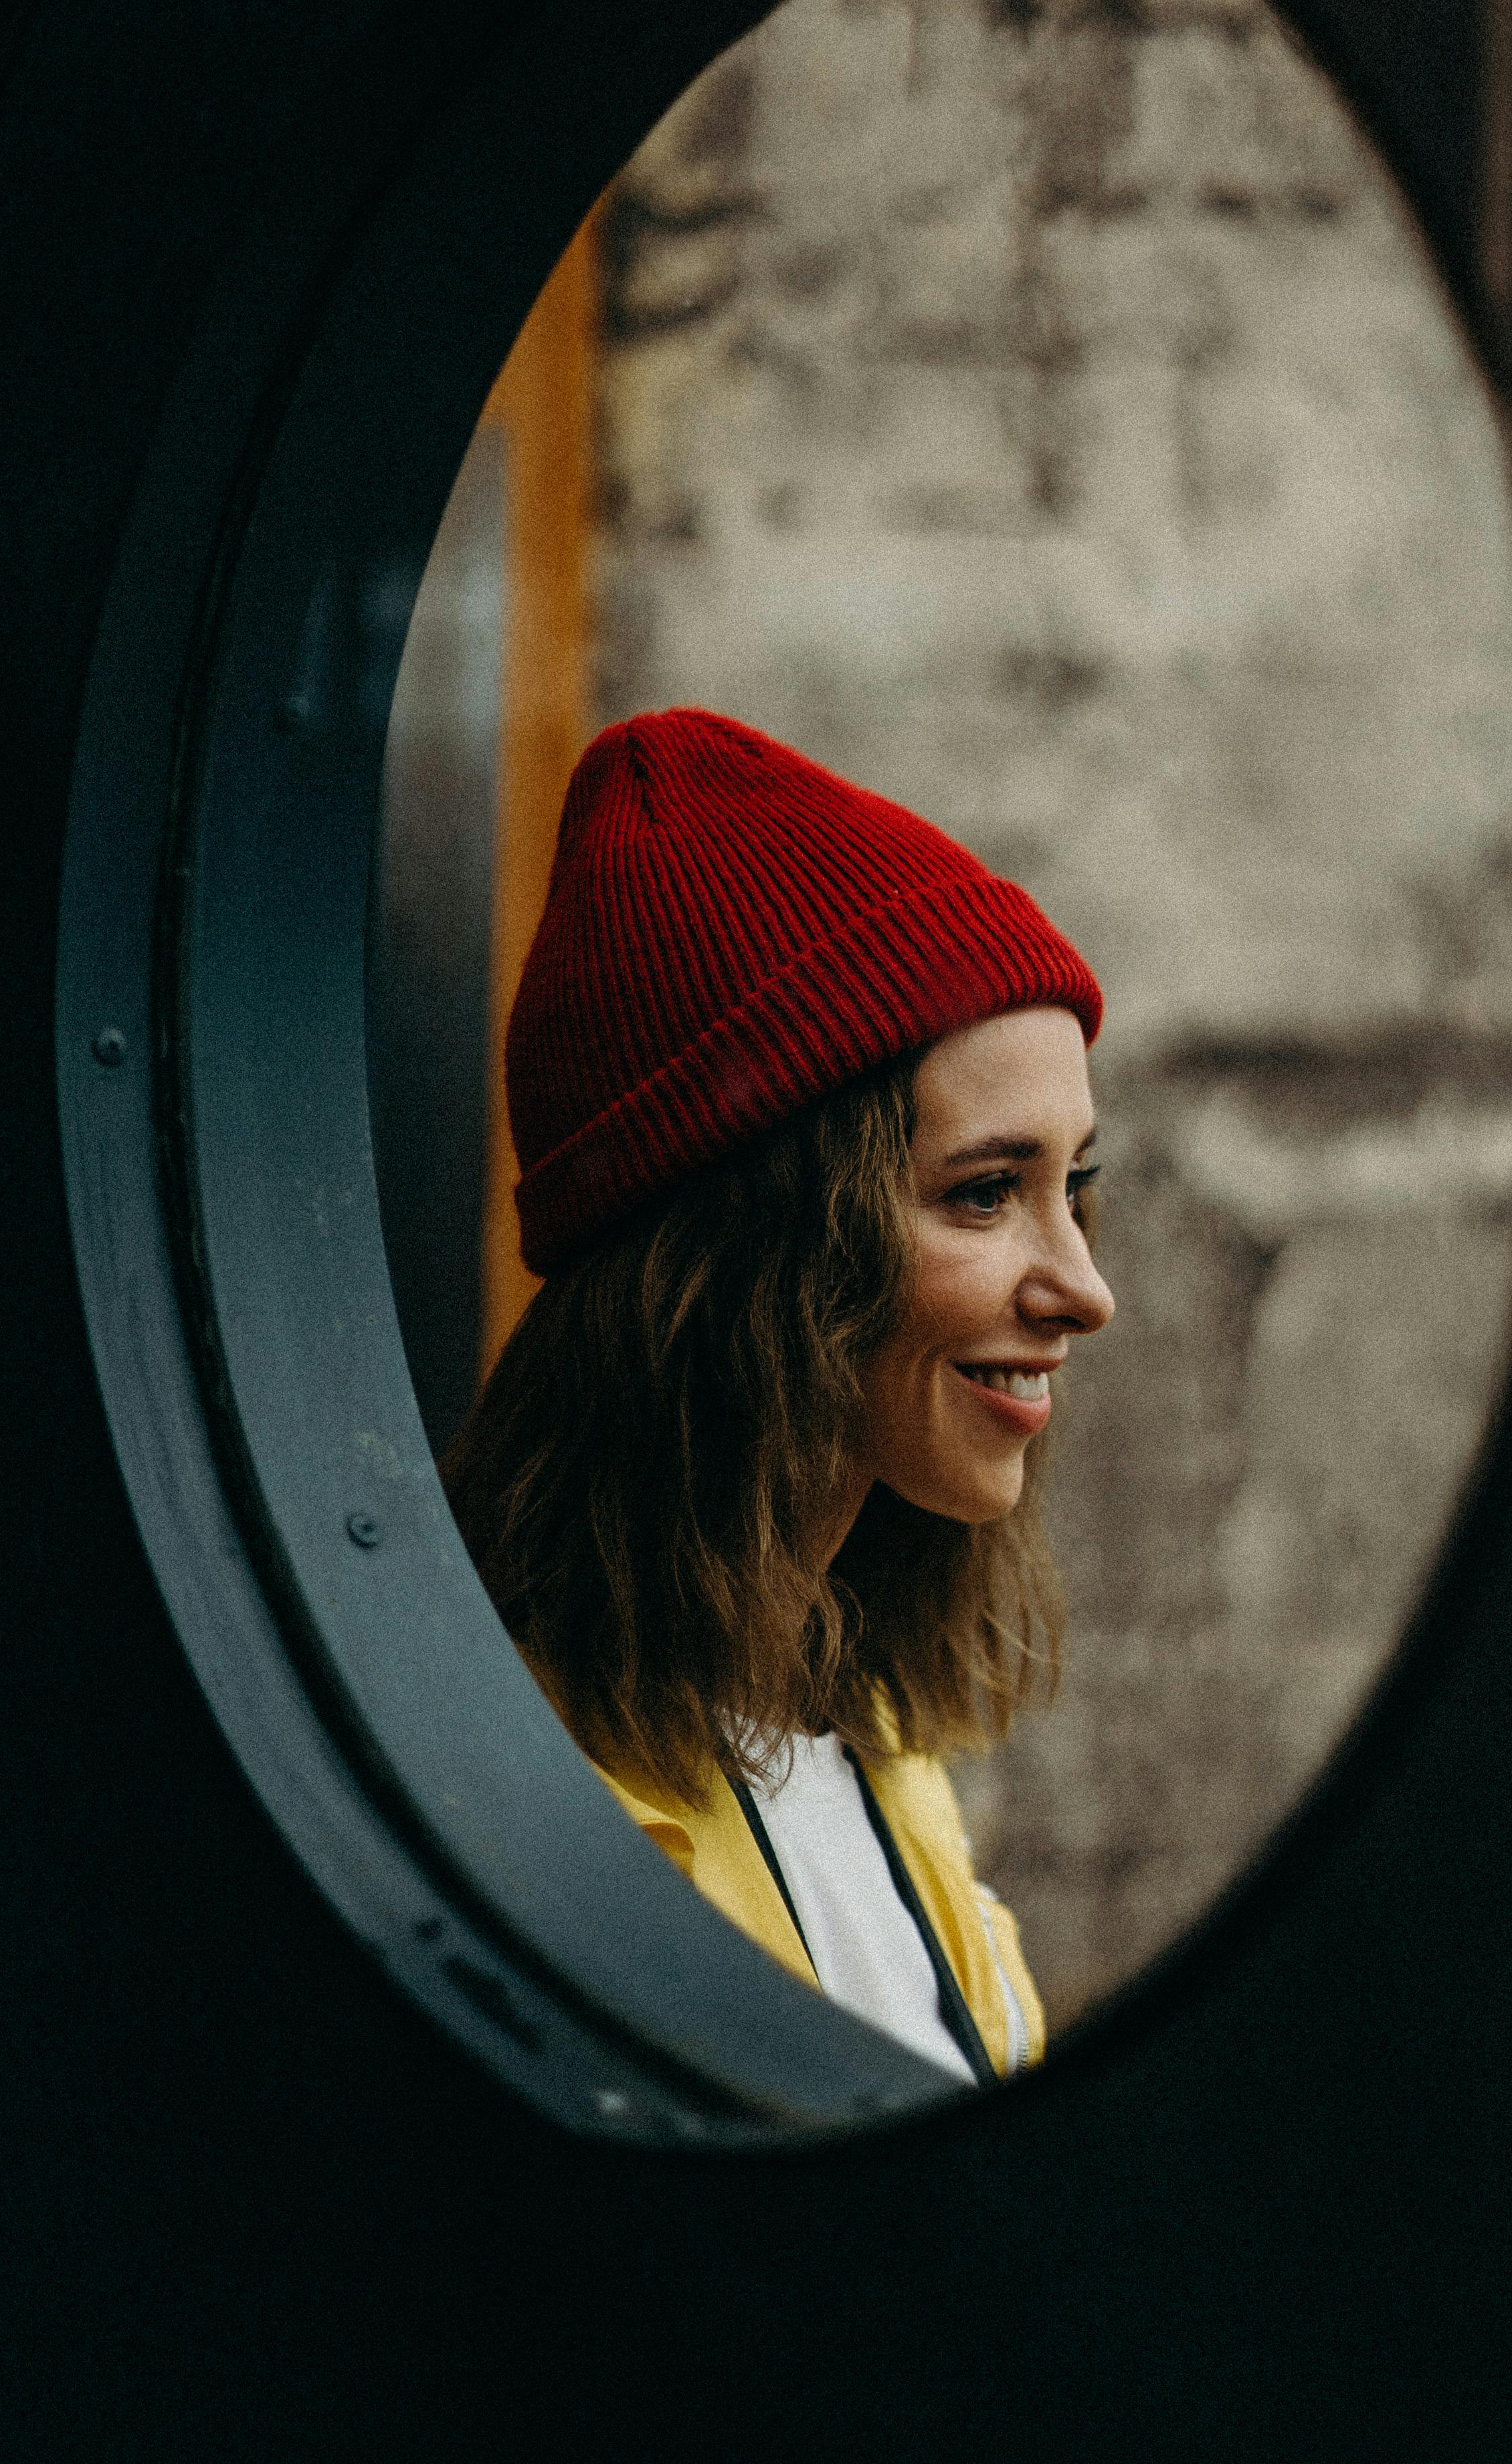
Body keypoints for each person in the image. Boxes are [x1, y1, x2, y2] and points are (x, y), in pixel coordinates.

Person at [442, 708, 1115, 2084]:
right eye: (988, 1191)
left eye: (1077, 1187)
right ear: (760, 1248)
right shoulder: (514, 1813)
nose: (1085, 1287)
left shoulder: (870, 1744)